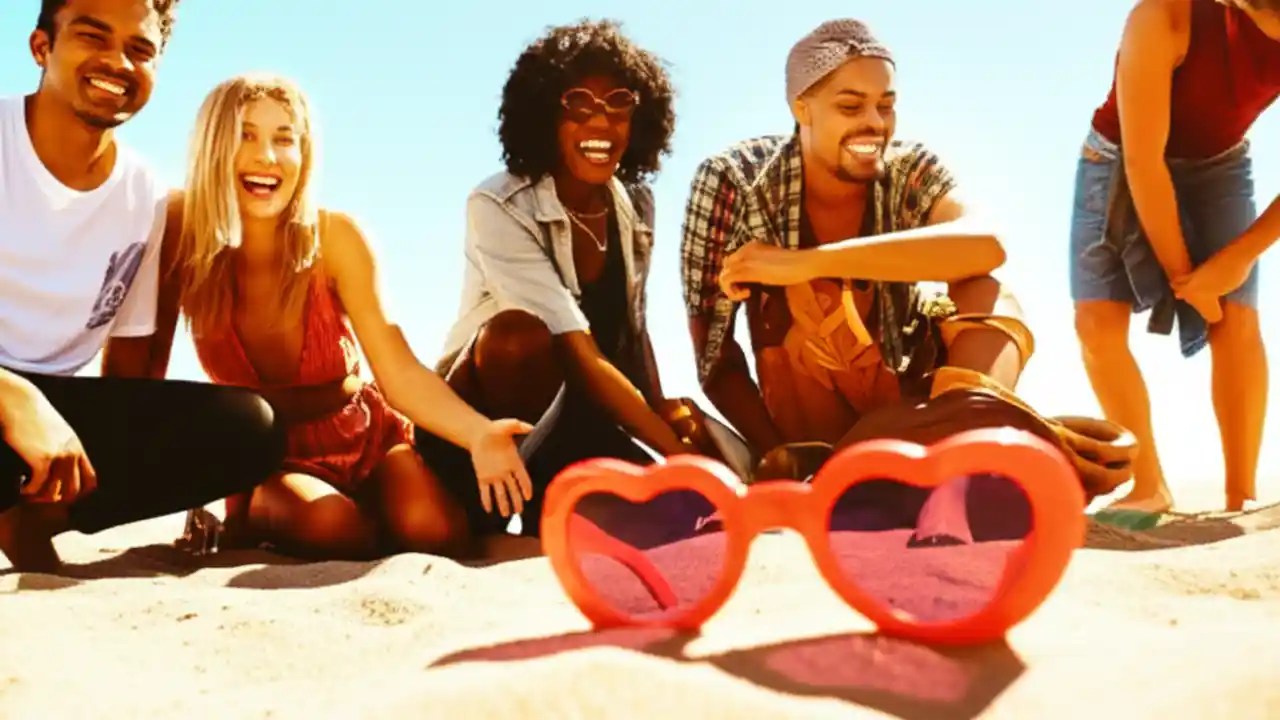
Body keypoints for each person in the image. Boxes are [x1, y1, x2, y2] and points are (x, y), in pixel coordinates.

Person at [150, 73, 535, 560]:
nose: (266, 156)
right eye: (244, 134)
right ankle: (251, 516)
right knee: (334, 529)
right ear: (211, 145)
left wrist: (479, 433)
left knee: (435, 532)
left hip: (363, 434)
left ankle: (376, 512)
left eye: (283, 138)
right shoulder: (181, 235)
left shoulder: (335, 238)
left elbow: (397, 370)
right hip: (271, 453)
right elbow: (145, 375)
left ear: (304, 154)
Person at [0, 0, 285, 573]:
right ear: (41, 48)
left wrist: (154, 466)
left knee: (249, 427)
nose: (117, 62)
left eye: (139, 49)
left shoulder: (150, 199)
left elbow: (130, 369)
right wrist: (14, 398)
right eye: (93, 36)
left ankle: (27, 517)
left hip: (47, 419)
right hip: (14, 403)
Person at [680, 19, 1033, 471]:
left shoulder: (911, 167)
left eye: (886, 106)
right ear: (802, 108)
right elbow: (715, 357)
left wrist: (804, 263)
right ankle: (857, 467)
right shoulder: (733, 178)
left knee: (989, 291)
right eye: (851, 106)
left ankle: (961, 447)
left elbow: (987, 244)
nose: (874, 124)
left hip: (914, 396)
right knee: (810, 301)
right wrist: (781, 457)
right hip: (810, 424)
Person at [423, 19, 706, 538]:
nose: (600, 123)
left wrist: (666, 413)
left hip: (576, 415)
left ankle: (553, 507)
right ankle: (501, 508)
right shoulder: (498, 202)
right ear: (545, 117)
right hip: (481, 430)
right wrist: (675, 456)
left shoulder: (636, 205)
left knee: (681, 515)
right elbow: (576, 347)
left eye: (618, 103)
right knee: (519, 335)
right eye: (578, 105)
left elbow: (632, 329)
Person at [1070, 0, 1280, 514]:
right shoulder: (1165, 14)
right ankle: (1149, 487)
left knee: (1236, 318)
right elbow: (1144, 162)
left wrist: (1237, 260)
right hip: (1118, 156)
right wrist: (1186, 280)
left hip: (1220, 163)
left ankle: (1241, 497)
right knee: (1096, 324)